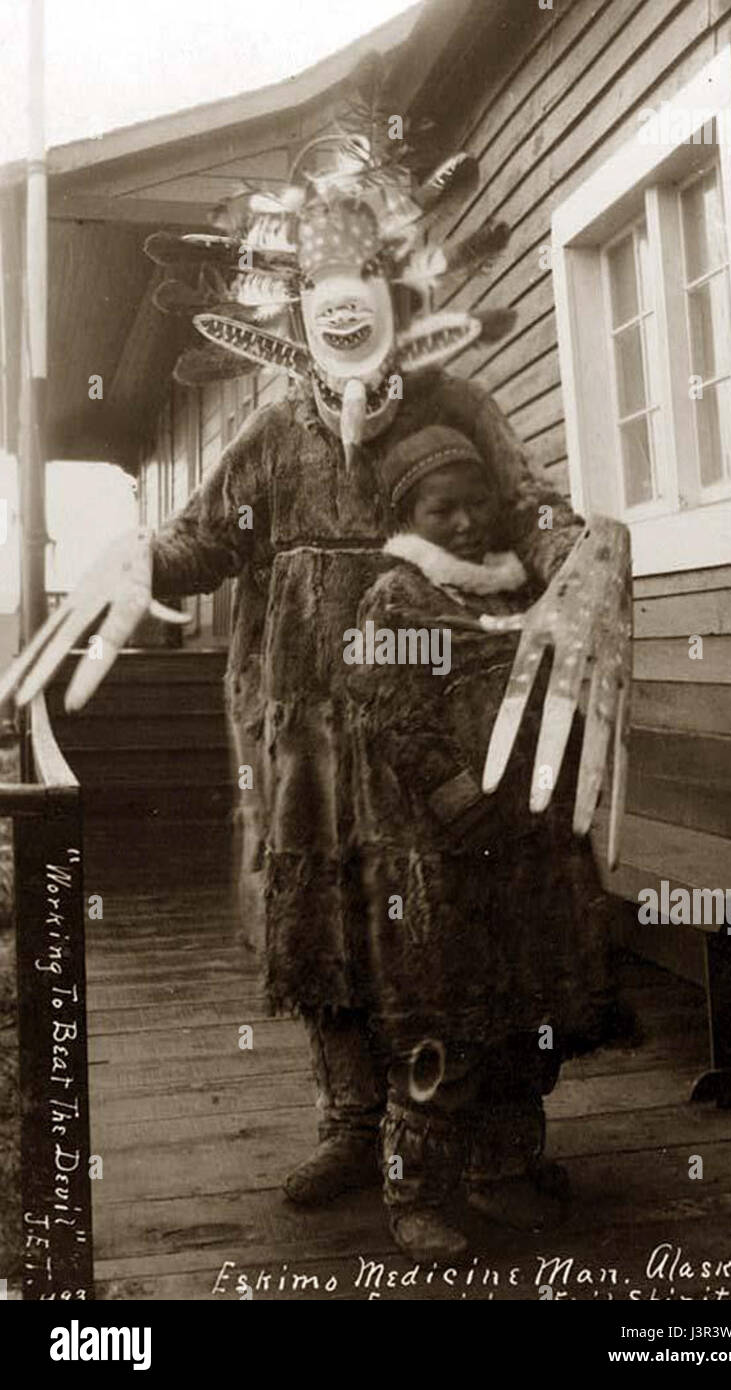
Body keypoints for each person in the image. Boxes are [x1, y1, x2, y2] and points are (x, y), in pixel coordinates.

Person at [1, 108, 632, 1220]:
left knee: (444, 928)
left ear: (398, 295)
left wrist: (587, 558)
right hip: (295, 729)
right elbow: (204, 540)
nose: (340, 296)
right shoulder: (272, 429)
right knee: (323, 921)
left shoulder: (460, 405)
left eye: (362, 275)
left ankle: (462, 1147)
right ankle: (354, 1124)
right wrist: (136, 549)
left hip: (437, 715)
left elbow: (535, 514)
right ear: (294, 303)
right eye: (317, 278)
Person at [347, 425, 629, 1260]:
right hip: (442, 854)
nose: (466, 523)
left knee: (525, 1022)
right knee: (445, 1028)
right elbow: (383, 706)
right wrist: (447, 788)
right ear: (409, 514)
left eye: (477, 504)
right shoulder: (398, 598)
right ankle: (418, 1190)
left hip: (531, 846)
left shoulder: (521, 592)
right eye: (444, 509)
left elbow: (568, 679)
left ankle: (501, 1172)